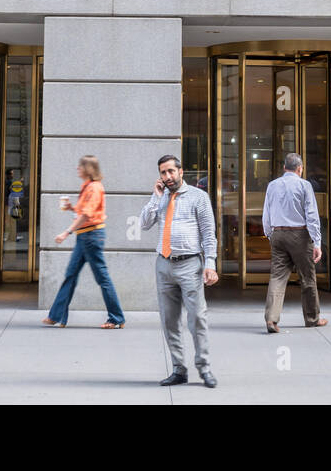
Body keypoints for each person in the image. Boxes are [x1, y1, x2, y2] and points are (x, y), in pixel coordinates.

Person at [140, 154, 218, 388]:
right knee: (169, 320)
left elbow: (208, 233)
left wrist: (210, 264)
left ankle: (204, 368)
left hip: (190, 264)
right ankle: (178, 369)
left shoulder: (198, 197)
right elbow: (144, 224)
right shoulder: (160, 197)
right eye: (163, 173)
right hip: (163, 264)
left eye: (171, 172)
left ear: (181, 172)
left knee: (197, 318)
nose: (167, 176)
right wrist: (156, 198)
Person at [42, 156, 125, 329]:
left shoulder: (94, 188)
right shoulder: (87, 186)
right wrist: (72, 208)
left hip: (91, 236)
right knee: (71, 275)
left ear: (89, 168)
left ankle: (116, 317)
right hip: (85, 237)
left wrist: (66, 232)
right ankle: (56, 316)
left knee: (102, 278)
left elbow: (87, 215)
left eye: (81, 165)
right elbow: (84, 212)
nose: (77, 168)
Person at [261, 153, 325, 332]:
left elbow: (266, 212)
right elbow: (311, 215)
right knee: (307, 277)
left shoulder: (272, 186)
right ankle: (312, 318)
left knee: (277, 277)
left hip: (278, 234)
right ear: (300, 169)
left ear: (284, 168)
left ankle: (271, 319)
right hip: (300, 235)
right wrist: (317, 242)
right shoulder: (304, 185)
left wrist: (270, 235)